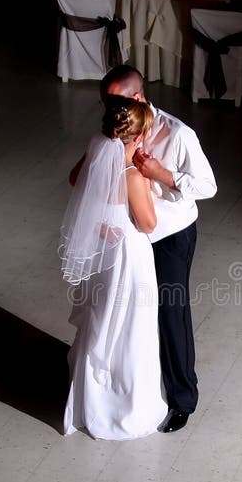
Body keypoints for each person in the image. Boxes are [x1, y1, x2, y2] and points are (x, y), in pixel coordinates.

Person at [99, 65, 217, 433]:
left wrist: (161, 174)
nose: (110, 110)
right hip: (130, 237)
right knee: (132, 311)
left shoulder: (179, 134)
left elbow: (208, 187)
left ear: (137, 98)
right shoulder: (116, 124)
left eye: (116, 101)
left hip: (170, 236)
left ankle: (183, 399)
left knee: (171, 312)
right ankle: (135, 389)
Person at [59, 95, 167, 440]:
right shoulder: (132, 175)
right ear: (138, 137)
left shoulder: (95, 153)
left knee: (102, 320)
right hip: (128, 257)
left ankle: (90, 396)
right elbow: (148, 224)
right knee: (132, 325)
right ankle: (125, 407)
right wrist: (149, 185)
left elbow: (76, 181)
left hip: (103, 255)